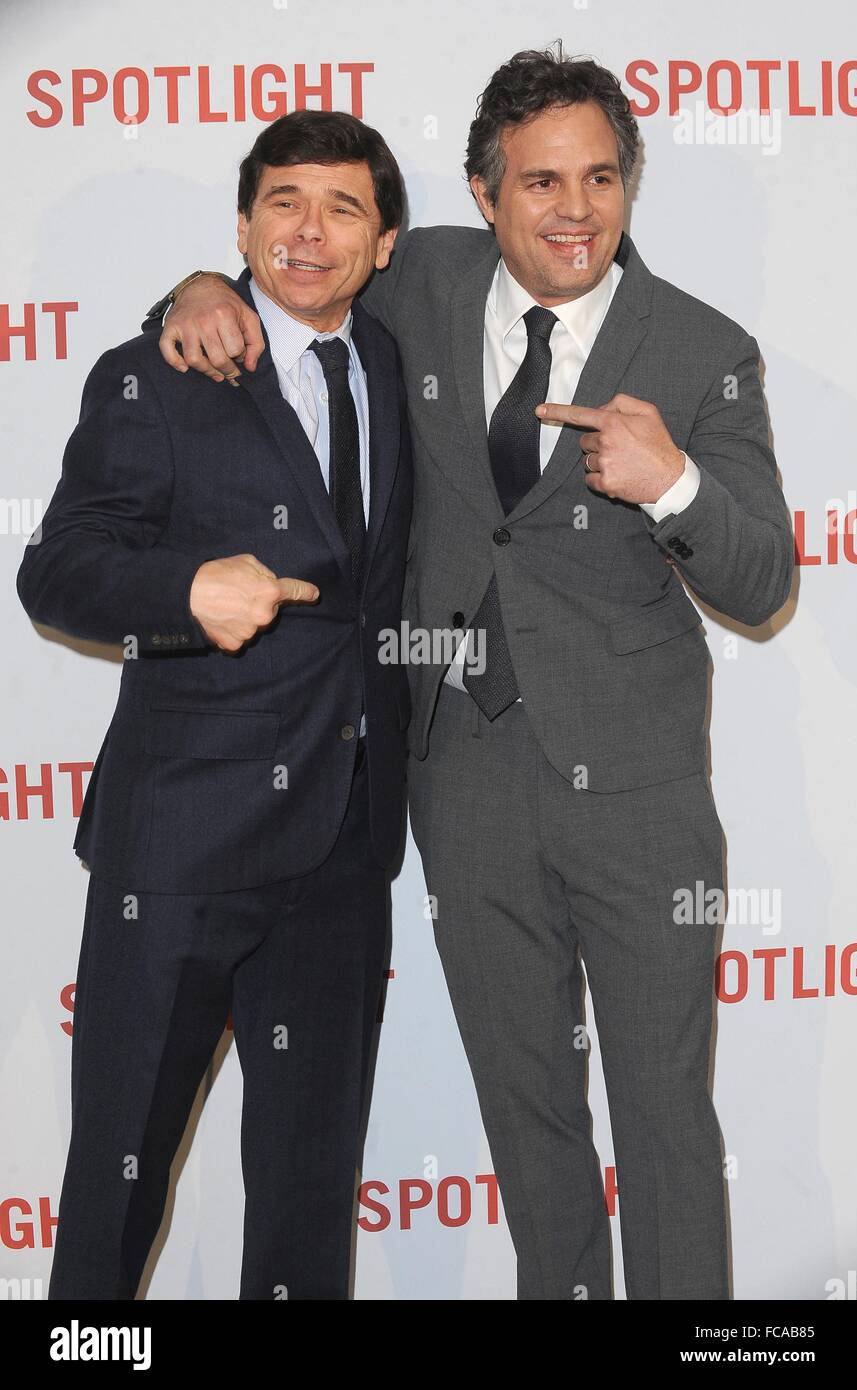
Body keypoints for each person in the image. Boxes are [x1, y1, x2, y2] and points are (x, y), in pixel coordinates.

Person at [145, 49, 794, 1300]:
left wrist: (674, 484)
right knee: (528, 1113)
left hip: (641, 797)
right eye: (541, 180)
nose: (574, 209)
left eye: (601, 177)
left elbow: (761, 580)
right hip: (466, 779)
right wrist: (190, 287)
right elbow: (293, 279)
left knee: (663, 1113)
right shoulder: (425, 280)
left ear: (630, 185)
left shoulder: (706, 349)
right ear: (483, 195)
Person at [16, 109, 412, 1300]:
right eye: (283, 201)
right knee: (116, 1188)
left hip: (339, 853)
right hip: (178, 851)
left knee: (305, 1198)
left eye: (344, 208)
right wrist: (185, 588)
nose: (309, 230)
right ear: (241, 224)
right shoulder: (158, 373)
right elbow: (58, 569)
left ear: (385, 243)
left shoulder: (392, 364)